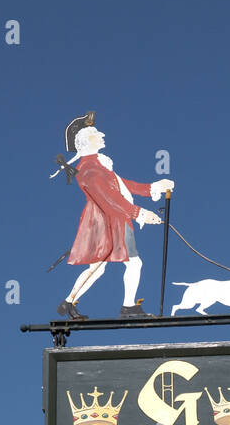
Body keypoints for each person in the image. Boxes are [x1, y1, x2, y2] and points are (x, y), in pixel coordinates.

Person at [56, 118, 173, 319]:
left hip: (113, 220)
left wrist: (154, 187)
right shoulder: (89, 169)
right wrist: (140, 213)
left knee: (105, 267)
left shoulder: (99, 164)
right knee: (124, 264)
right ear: (86, 141)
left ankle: (70, 303)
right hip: (107, 223)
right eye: (96, 134)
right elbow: (109, 198)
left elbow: (122, 186)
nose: (102, 135)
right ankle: (125, 308)